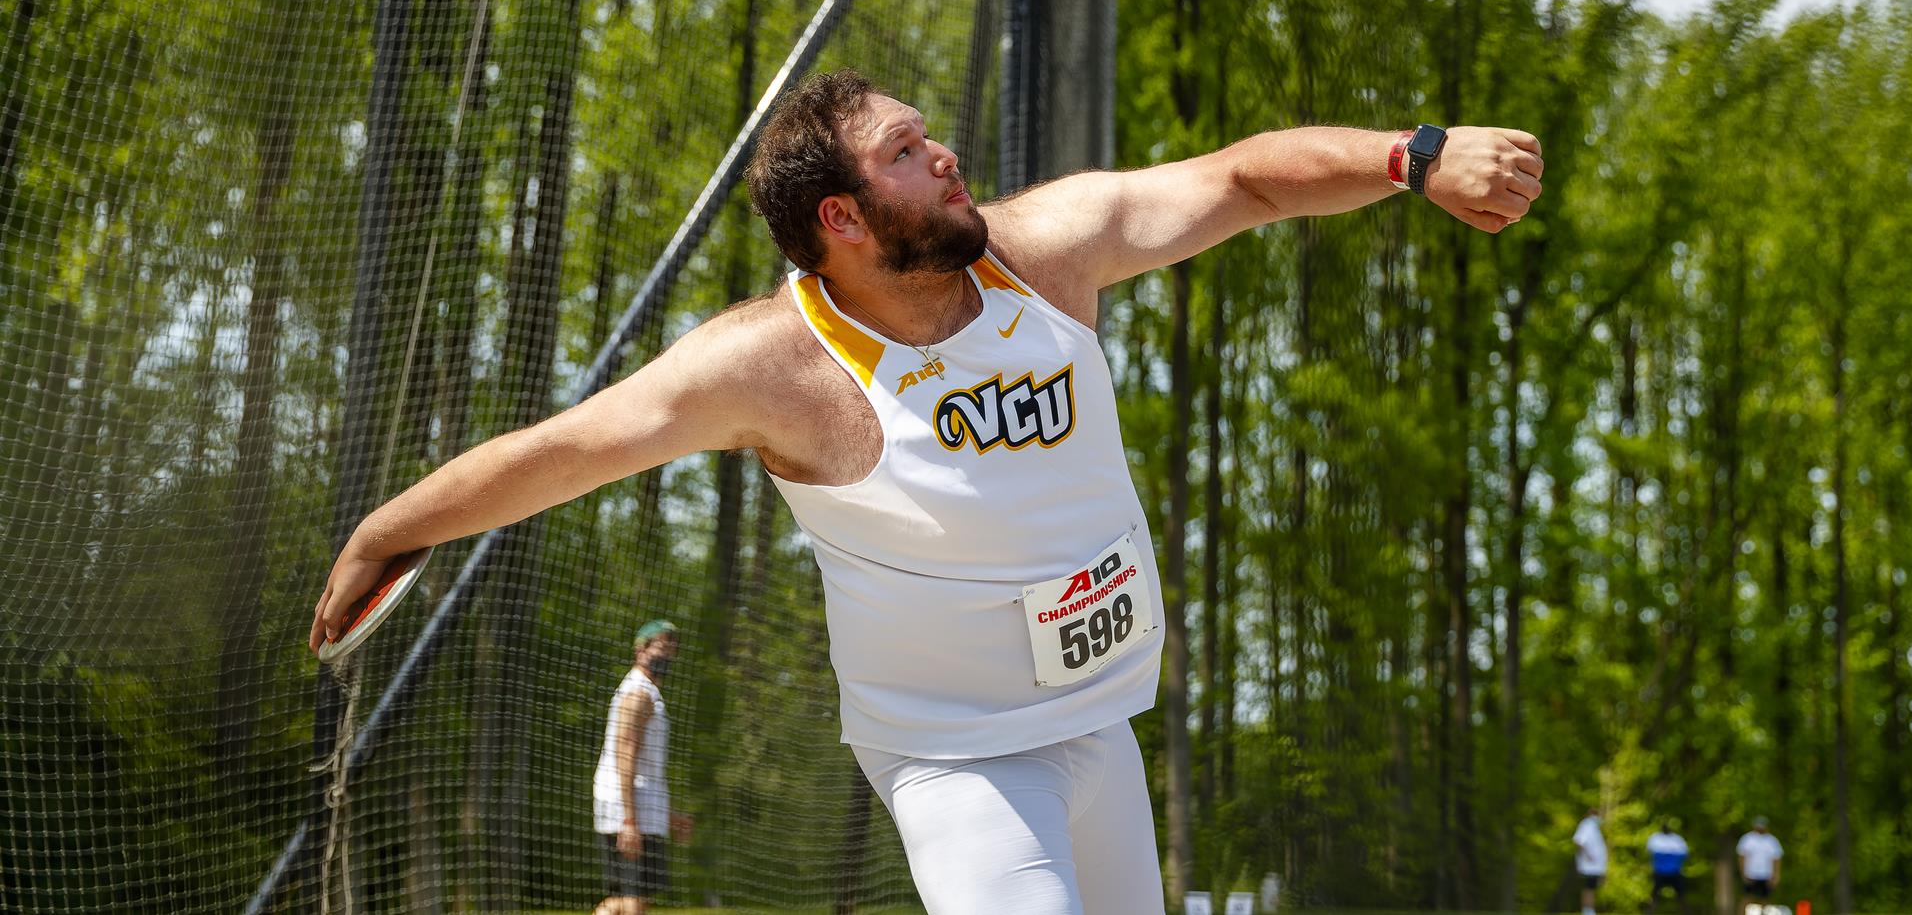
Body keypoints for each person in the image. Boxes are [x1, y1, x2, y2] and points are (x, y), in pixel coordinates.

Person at [310, 69, 1544, 915]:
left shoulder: (1041, 250)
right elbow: (567, 449)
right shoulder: (771, 368)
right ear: (842, 217)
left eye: (927, 132)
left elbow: (1243, 179)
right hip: (957, 759)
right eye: (907, 151)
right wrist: (387, 527)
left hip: (1099, 726)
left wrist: (1410, 156)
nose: (944, 152)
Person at [592, 619, 692, 915]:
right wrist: (630, 820)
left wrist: (669, 815)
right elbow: (625, 754)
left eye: (673, 648)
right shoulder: (637, 693)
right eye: (662, 645)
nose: (669, 654)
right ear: (640, 650)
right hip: (627, 810)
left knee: (629, 901)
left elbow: (643, 768)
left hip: (641, 809)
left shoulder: (648, 693)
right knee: (633, 902)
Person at [1737, 817, 1784, 912]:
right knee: (1747, 898)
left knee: (1765, 900)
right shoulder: (1747, 839)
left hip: (1766, 875)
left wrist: (1776, 875)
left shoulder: (1772, 840)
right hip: (1751, 874)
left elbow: (1777, 859)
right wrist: (1743, 873)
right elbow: (1742, 857)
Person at [1645, 818, 1691, 913]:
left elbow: (1685, 853)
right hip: (1661, 871)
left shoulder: (1676, 839)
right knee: (1654, 895)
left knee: (1681, 896)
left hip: (1673, 871)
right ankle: (1649, 912)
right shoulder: (1656, 838)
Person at [1573, 806, 1609, 915]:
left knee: (1591, 887)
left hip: (1593, 866)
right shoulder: (1587, 825)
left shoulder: (1592, 827)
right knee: (1589, 888)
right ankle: (1588, 911)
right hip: (1589, 866)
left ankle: (1589, 910)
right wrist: (1588, 855)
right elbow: (1579, 841)